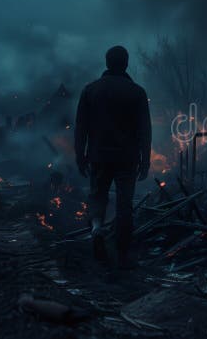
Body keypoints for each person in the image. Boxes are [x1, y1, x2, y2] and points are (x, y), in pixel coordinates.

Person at [74, 45, 151, 268]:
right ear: (126, 64)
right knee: (124, 205)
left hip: (98, 156)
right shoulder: (137, 92)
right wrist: (145, 160)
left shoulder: (90, 90)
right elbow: (145, 130)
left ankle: (97, 230)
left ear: (107, 63)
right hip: (127, 158)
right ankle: (122, 254)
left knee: (98, 197)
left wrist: (80, 156)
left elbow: (81, 127)